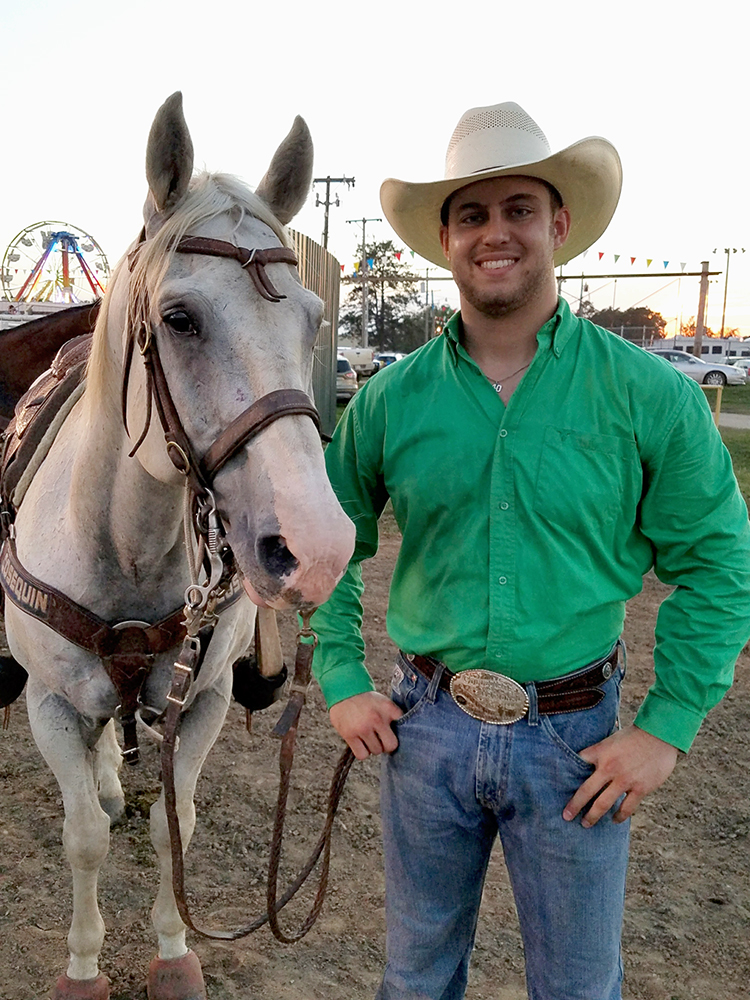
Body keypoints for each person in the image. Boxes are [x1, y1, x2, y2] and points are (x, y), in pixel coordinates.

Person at [311, 102, 750, 1000]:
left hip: (577, 739)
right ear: (446, 240)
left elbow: (720, 564)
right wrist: (341, 676)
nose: (495, 232)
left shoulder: (648, 394)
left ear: (559, 225)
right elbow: (325, 543)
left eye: (519, 209)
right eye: (472, 214)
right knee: (415, 977)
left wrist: (665, 728)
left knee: (579, 987)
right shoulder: (390, 400)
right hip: (424, 727)